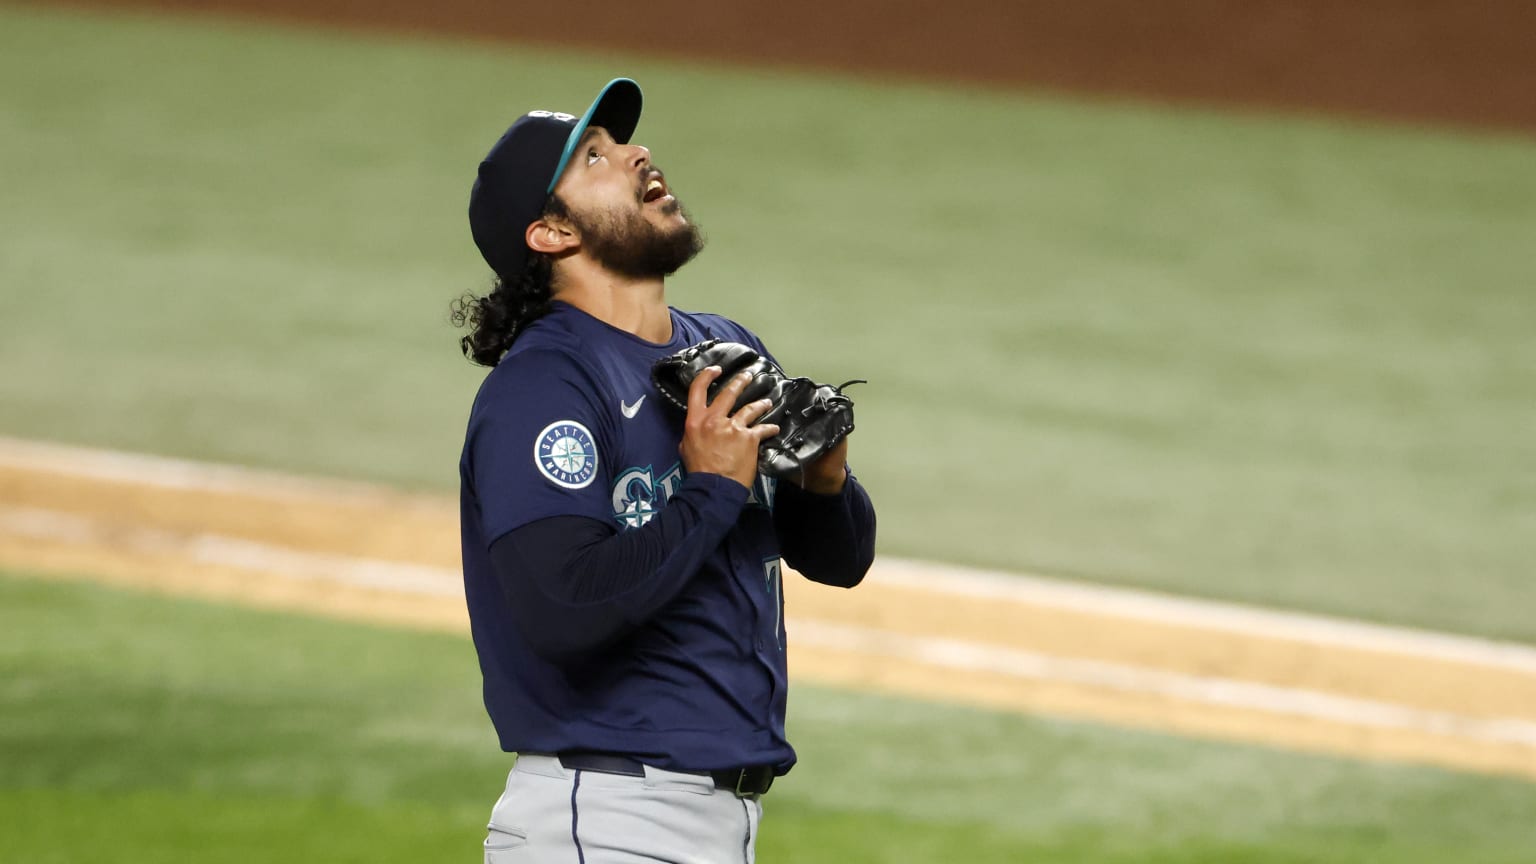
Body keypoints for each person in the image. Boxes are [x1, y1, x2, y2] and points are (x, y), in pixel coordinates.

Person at [451, 77, 877, 863]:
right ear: (549, 232)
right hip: (608, 816)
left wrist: (825, 484)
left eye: (624, 143)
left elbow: (839, 561)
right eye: (595, 157)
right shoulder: (544, 388)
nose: (637, 153)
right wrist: (711, 487)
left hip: (716, 821)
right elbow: (560, 608)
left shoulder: (720, 346)